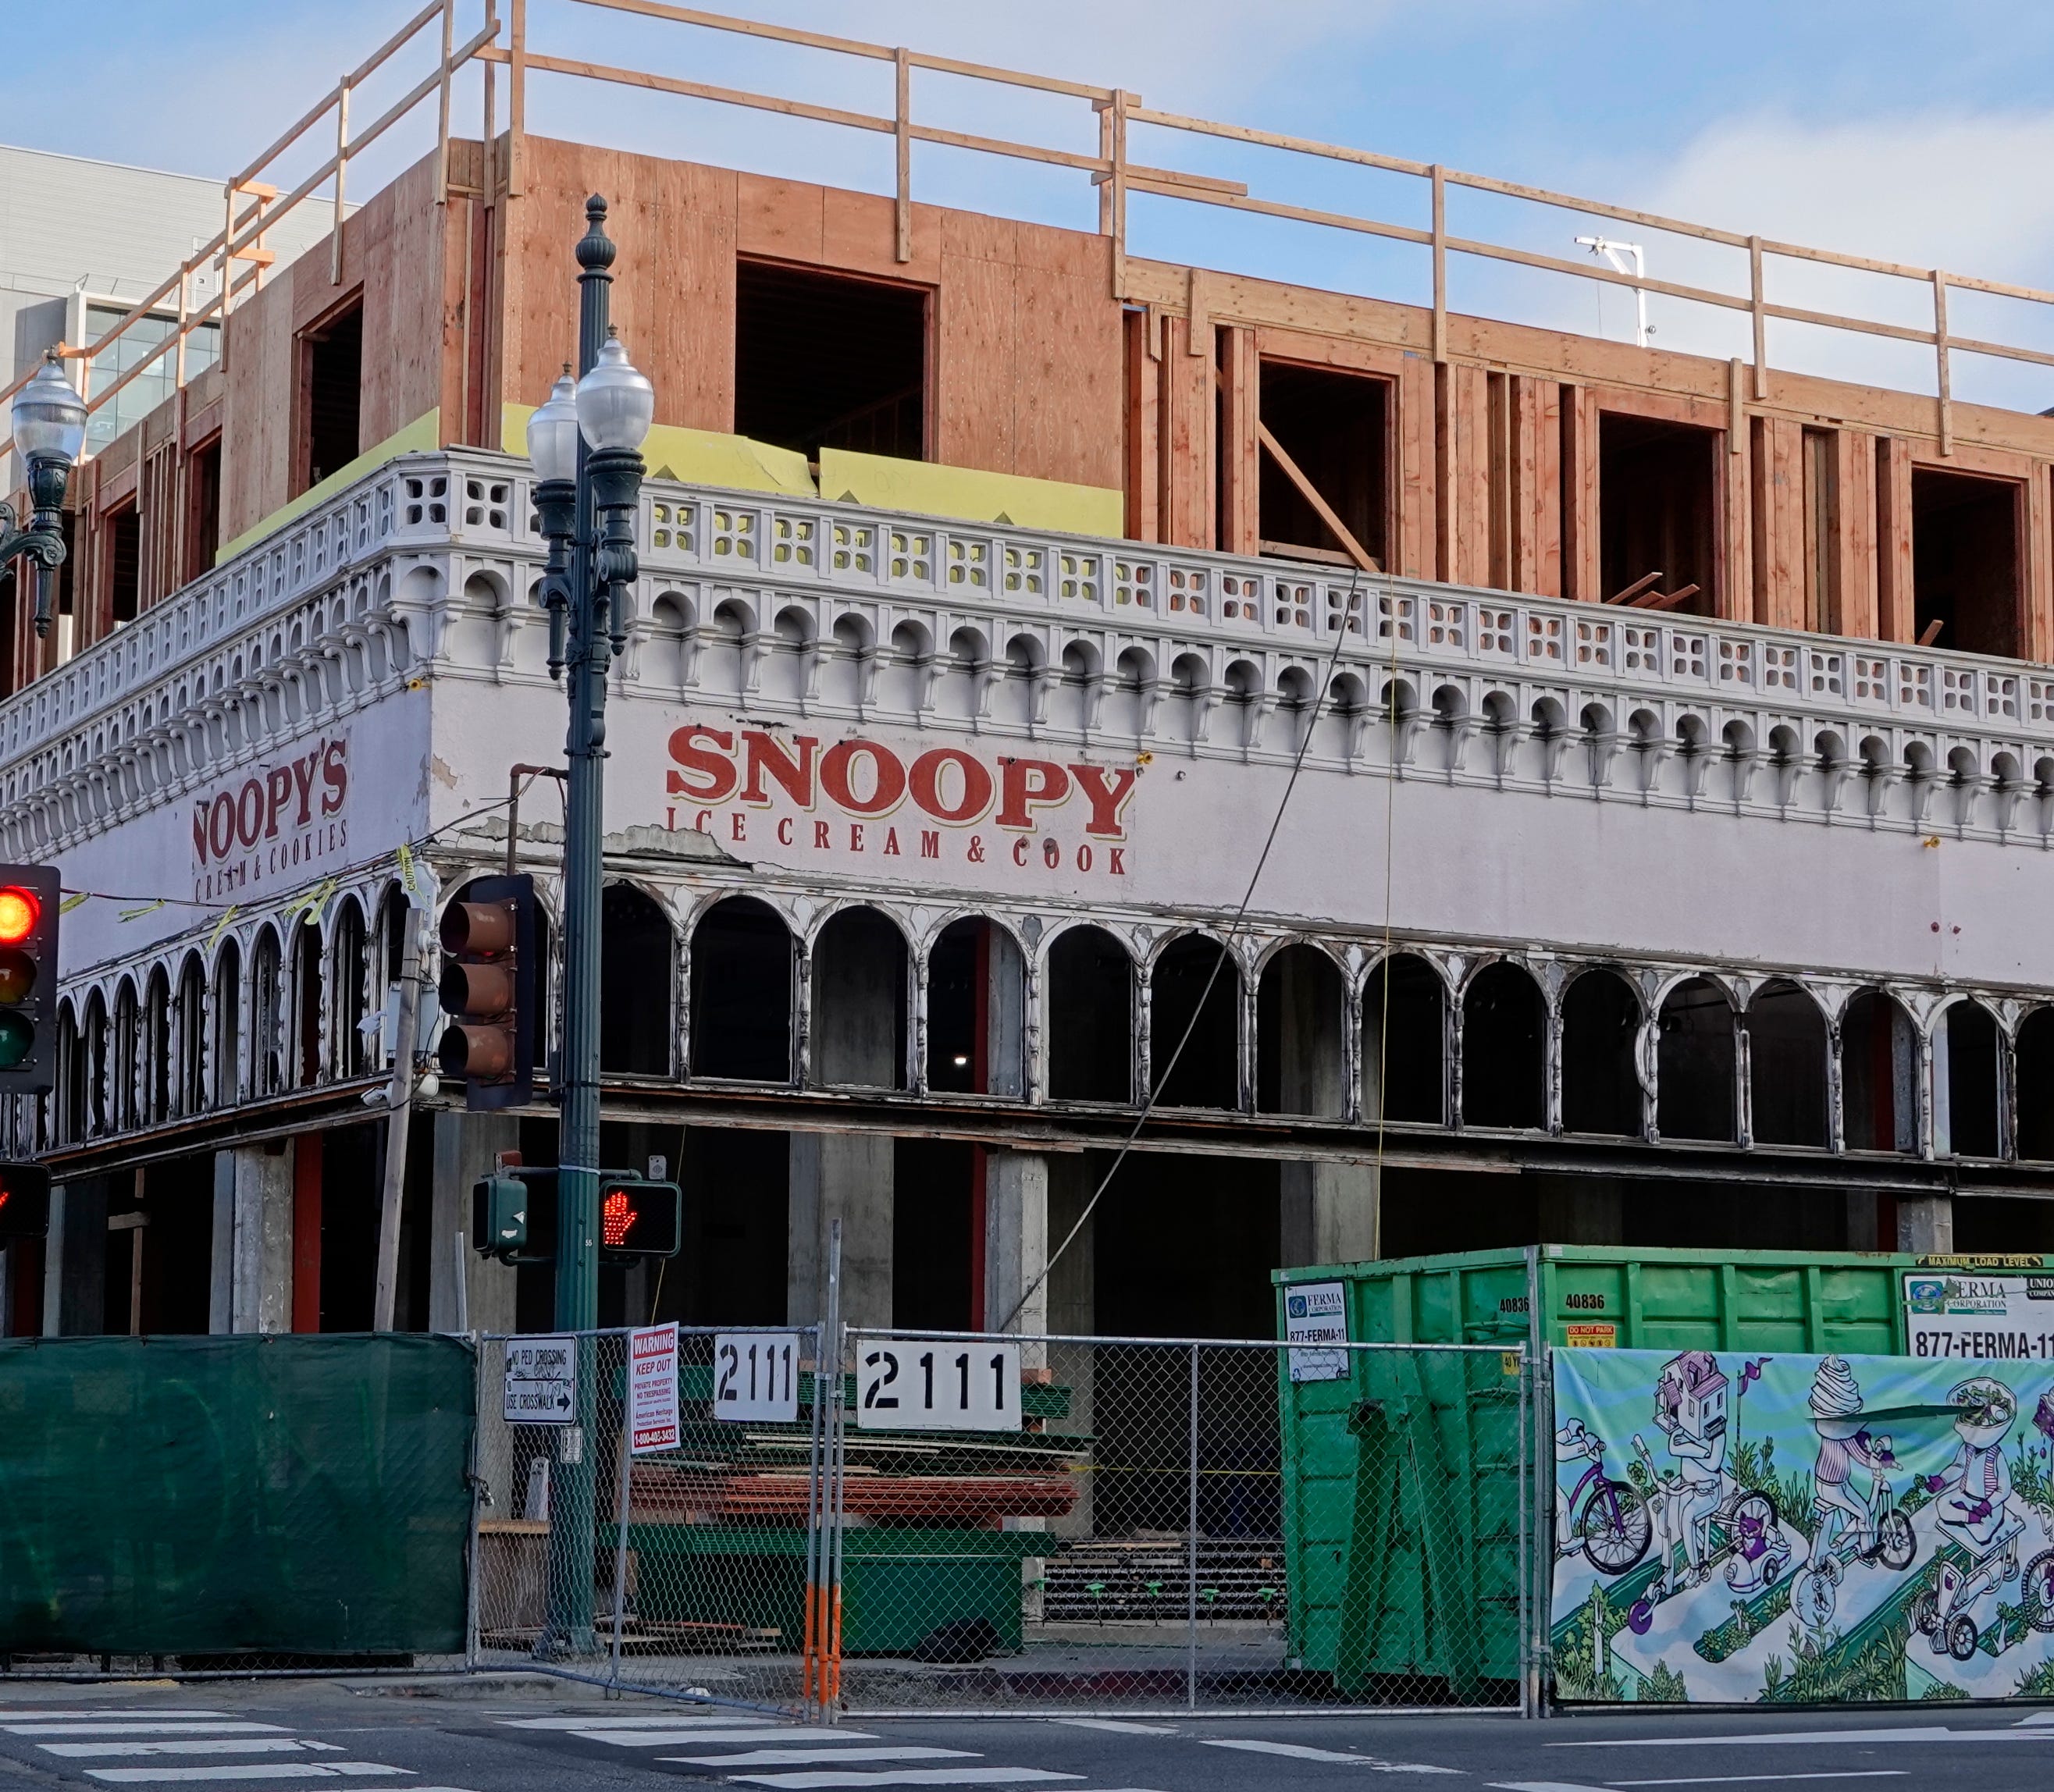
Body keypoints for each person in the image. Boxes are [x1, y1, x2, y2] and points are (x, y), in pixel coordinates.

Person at [1807, 1356, 1893, 1568]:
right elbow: (1863, 1457)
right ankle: (1865, 1552)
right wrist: (1880, 1463)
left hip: (1832, 1483)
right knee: (1864, 1514)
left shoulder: (1831, 1432)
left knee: (1857, 1512)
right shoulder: (1842, 1436)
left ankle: (1847, 1543)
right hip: (1832, 1487)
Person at [1926, 1377, 2017, 1553]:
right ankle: (1968, 1517)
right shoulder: (1967, 1448)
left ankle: (1968, 1518)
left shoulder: (1996, 1455)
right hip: (1964, 1495)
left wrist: (1988, 1505)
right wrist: (1942, 1480)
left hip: (1987, 1504)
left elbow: (2004, 1488)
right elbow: (1958, 1467)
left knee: (1981, 1534)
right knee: (1941, 1504)